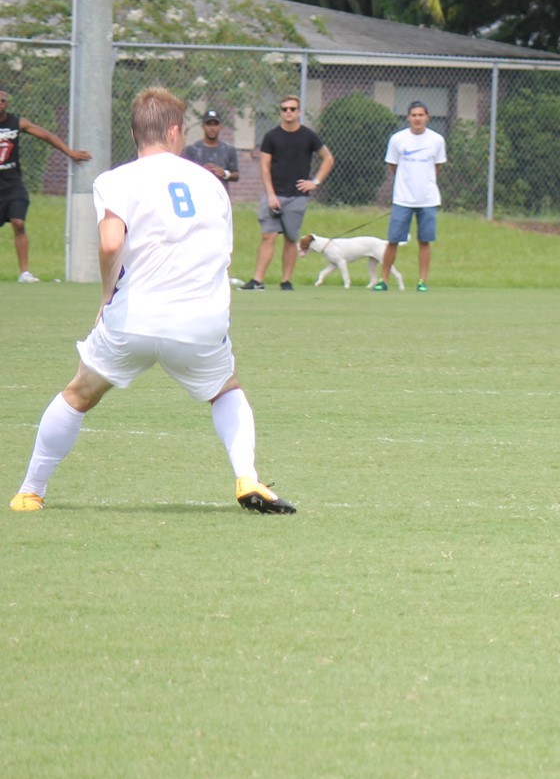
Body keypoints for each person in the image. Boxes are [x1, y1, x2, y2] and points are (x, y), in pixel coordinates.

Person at [9, 86, 294, 514]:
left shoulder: (116, 179)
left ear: (135, 133)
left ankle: (30, 491)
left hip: (135, 318)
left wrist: (107, 294)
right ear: (176, 132)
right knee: (226, 389)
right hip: (202, 322)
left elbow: (110, 245)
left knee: (78, 394)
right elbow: (221, 253)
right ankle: (247, 476)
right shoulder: (211, 184)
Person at [0, 86, 93, 283]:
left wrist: (69, 152)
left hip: (12, 184)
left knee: (18, 223)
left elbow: (47, 135)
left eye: (3, 100)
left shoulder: (16, 122)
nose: (1, 103)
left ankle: (24, 273)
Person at [247, 95, 334, 291]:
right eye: (285, 109)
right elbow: (265, 166)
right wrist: (270, 194)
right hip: (274, 195)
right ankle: (257, 281)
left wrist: (315, 182)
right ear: (280, 112)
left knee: (290, 238)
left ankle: (286, 281)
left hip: (297, 196)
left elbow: (328, 158)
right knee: (268, 236)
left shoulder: (308, 136)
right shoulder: (271, 137)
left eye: (292, 109)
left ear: (298, 112)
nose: (289, 112)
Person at [376, 101, 445, 293]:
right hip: (402, 199)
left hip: (427, 199)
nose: (417, 119)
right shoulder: (398, 139)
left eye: (421, 115)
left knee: (424, 240)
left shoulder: (437, 140)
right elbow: (394, 166)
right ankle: (384, 280)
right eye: (413, 115)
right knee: (393, 240)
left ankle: (422, 281)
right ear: (408, 117)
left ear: (427, 117)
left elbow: (437, 167)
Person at [181, 108, 241, 187]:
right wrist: (201, 171)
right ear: (203, 126)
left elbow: (236, 175)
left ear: (220, 127)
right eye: (209, 124)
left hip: (220, 195)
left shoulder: (229, 150)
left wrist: (224, 173)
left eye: (215, 124)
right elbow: (184, 174)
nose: (212, 128)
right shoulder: (192, 150)